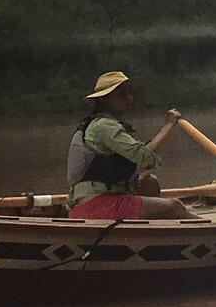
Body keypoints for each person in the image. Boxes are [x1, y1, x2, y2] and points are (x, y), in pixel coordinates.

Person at [67, 71, 201, 220]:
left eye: (128, 92)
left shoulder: (107, 124)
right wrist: (169, 125)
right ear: (104, 100)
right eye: (120, 94)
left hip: (102, 201)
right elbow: (144, 156)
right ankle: (206, 229)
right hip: (96, 206)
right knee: (175, 207)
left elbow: (139, 161)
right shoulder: (104, 126)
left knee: (149, 183)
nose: (128, 97)